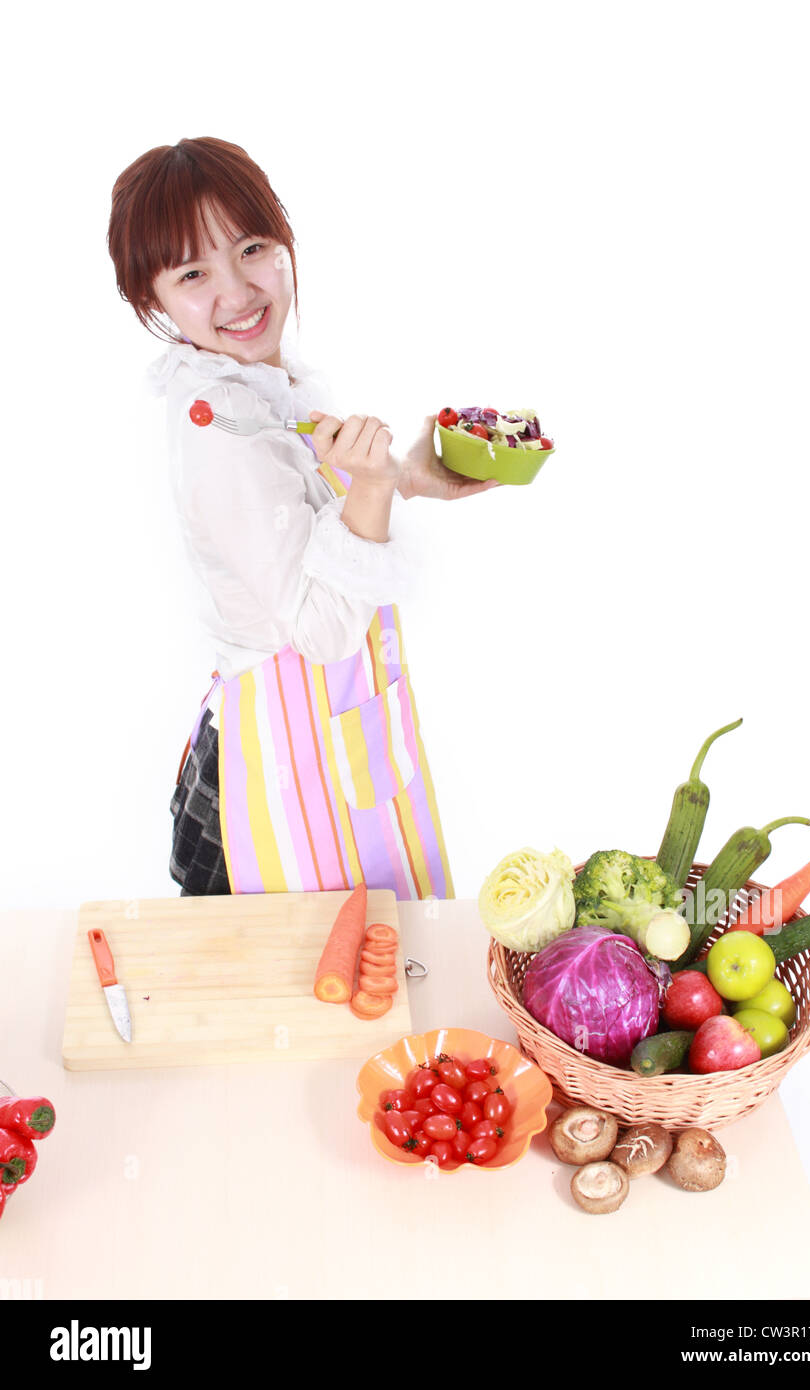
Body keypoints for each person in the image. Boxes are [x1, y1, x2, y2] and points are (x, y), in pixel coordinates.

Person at [107, 136, 498, 901]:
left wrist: (409, 473)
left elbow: (322, 495)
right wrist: (375, 489)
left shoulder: (252, 385)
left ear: (284, 242)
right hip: (269, 778)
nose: (238, 291)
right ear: (153, 300)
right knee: (298, 997)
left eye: (253, 247)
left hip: (319, 744)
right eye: (193, 273)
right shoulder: (217, 426)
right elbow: (323, 630)